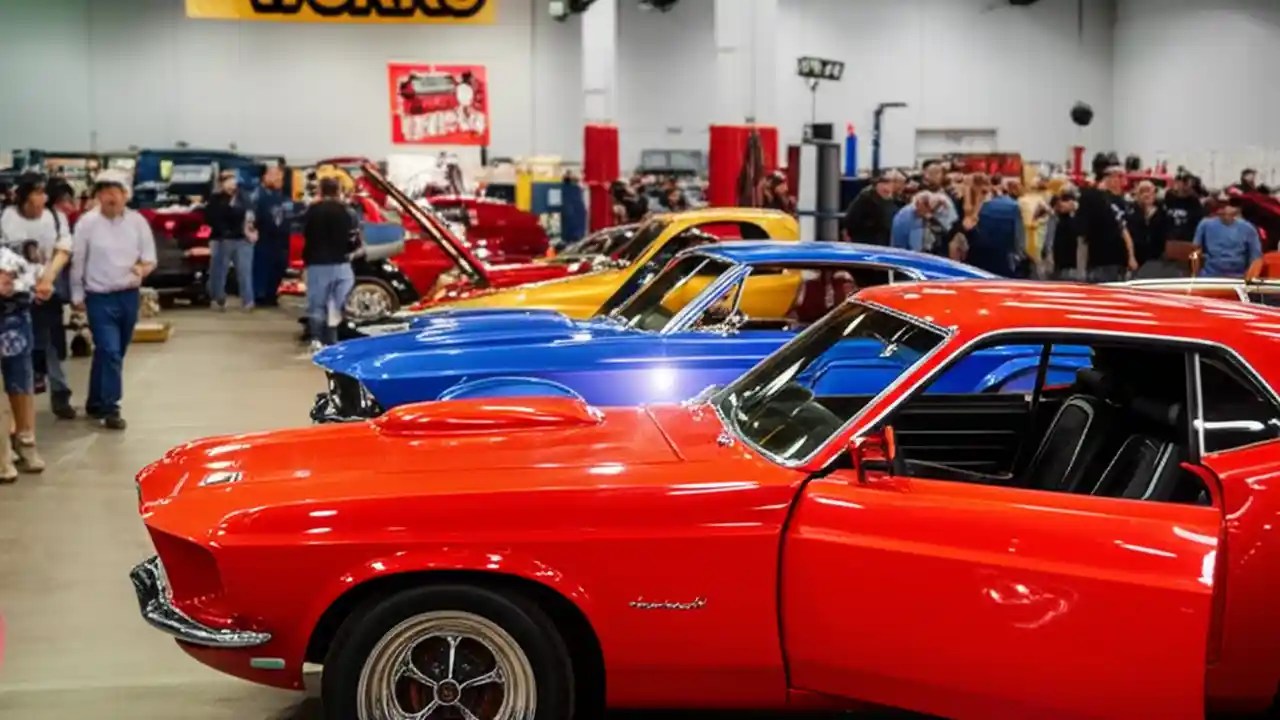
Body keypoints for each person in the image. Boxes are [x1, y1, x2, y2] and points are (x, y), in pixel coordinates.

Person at [70, 169, 157, 430]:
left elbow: (150, 257)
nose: (110, 198)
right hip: (99, 297)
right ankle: (111, 408)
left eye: (115, 192)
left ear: (125, 195)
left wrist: (142, 269)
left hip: (128, 295)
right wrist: (77, 294)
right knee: (110, 351)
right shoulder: (87, 223)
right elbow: (78, 261)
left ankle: (96, 400)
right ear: (97, 196)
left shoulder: (137, 223)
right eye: (105, 192)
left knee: (114, 353)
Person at [0, 174, 76, 423]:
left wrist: (47, 280)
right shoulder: (6, 218)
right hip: (14, 297)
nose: (42, 198)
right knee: (18, 352)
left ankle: (60, 393)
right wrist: (28, 284)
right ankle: (17, 412)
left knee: (52, 343)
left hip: (48, 290)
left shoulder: (55, 217)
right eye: (36, 192)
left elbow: (63, 249)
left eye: (44, 193)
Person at [302, 177, 360, 349]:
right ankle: (333, 339)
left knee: (317, 303)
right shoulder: (348, 212)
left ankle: (316, 339)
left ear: (320, 190)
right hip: (341, 264)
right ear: (338, 191)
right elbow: (354, 238)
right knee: (336, 303)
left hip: (317, 263)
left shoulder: (312, 211)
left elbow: (305, 234)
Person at [1076, 166, 1137, 282]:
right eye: (1118, 176)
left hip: (1121, 260)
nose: (1121, 181)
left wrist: (1131, 256)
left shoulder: (1124, 203)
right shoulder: (1097, 199)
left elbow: (1125, 229)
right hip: (1102, 259)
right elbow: (1083, 233)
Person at [205, 170, 254, 311]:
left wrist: (250, 230)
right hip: (221, 239)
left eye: (233, 180)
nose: (231, 184)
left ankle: (248, 300)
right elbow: (212, 217)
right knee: (218, 271)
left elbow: (250, 214)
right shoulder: (216, 199)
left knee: (244, 271)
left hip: (242, 239)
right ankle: (218, 298)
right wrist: (224, 229)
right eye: (227, 180)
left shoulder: (243, 197)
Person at [250, 165, 291, 308]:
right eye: (275, 176)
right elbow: (251, 217)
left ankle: (271, 294)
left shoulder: (283, 197)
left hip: (281, 240)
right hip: (264, 238)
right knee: (262, 267)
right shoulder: (257, 196)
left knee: (278, 267)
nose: (279, 179)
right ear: (265, 177)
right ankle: (259, 295)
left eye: (280, 177)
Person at [969, 182, 1026, 277]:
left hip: (982, 253)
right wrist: (1020, 254)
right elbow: (1018, 234)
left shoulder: (982, 206)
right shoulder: (1014, 207)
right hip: (1005, 254)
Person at [1194, 198, 1262, 278]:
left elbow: (1256, 257)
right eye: (1221, 206)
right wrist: (1196, 275)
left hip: (1239, 277)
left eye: (1228, 206)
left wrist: (1249, 278)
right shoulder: (1205, 224)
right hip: (1209, 276)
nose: (1225, 209)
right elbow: (1194, 251)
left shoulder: (1248, 228)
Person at [842, 175, 895, 245]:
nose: (888, 191)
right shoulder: (866, 198)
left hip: (878, 239)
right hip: (866, 239)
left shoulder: (888, 200)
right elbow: (851, 219)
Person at [1127, 180, 1169, 269]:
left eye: (1149, 191)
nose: (1146, 195)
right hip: (1136, 257)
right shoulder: (1130, 211)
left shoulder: (1162, 211)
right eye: (1142, 191)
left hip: (1157, 257)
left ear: (1154, 194)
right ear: (1137, 195)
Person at [1041, 190, 1082, 280]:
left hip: (1071, 265)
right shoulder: (1054, 219)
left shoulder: (1075, 219)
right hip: (1056, 263)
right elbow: (1048, 239)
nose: (1062, 205)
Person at [1164, 172, 1205, 245]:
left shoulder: (1194, 202)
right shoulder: (1169, 197)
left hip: (1186, 242)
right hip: (1168, 241)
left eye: (1188, 185)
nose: (1185, 187)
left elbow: (1199, 225)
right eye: (1183, 183)